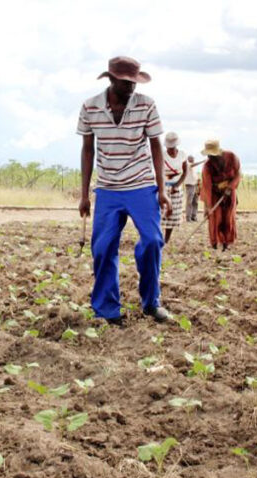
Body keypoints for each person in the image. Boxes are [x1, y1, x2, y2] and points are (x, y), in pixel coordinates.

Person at [77, 56, 172, 325]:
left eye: (135, 82)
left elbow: (156, 146)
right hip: (107, 187)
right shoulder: (90, 107)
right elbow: (87, 149)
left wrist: (162, 189)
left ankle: (151, 302)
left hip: (141, 184)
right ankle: (107, 310)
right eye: (126, 82)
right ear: (111, 79)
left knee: (153, 241)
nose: (131, 87)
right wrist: (85, 194)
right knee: (103, 247)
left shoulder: (146, 104)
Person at [199, 139, 241, 251]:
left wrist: (230, 187)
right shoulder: (207, 166)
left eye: (212, 155)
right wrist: (208, 207)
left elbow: (238, 175)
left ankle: (226, 243)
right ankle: (214, 244)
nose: (210, 157)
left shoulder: (232, 158)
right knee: (215, 218)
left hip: (229, 192)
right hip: (215, 193)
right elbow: (206, 186)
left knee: (228, 218)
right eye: (208, 155)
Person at [161, 132, 187, 244]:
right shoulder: (162, 155)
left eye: (172, 147)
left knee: (172, 216)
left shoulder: (182, 154)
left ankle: (166, 240)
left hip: (176, 189)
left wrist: (176, 185)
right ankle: (157, 237)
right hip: (163, 187)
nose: (170, 149)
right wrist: (162, 187)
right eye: (169, 147)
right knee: (162, 213)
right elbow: (159, 173)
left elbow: (185, 172)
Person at [185, 155, 204, 222]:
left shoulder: (193, 168)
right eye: (192, 159)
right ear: (189, 159)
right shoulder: (187, 164)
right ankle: (188, 217)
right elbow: (193, 165)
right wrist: (202, 161)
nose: (193, 160)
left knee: (195, 202)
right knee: (189, 202)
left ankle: (194, 216)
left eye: (193, 159)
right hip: (190, 185)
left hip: (195, 185)